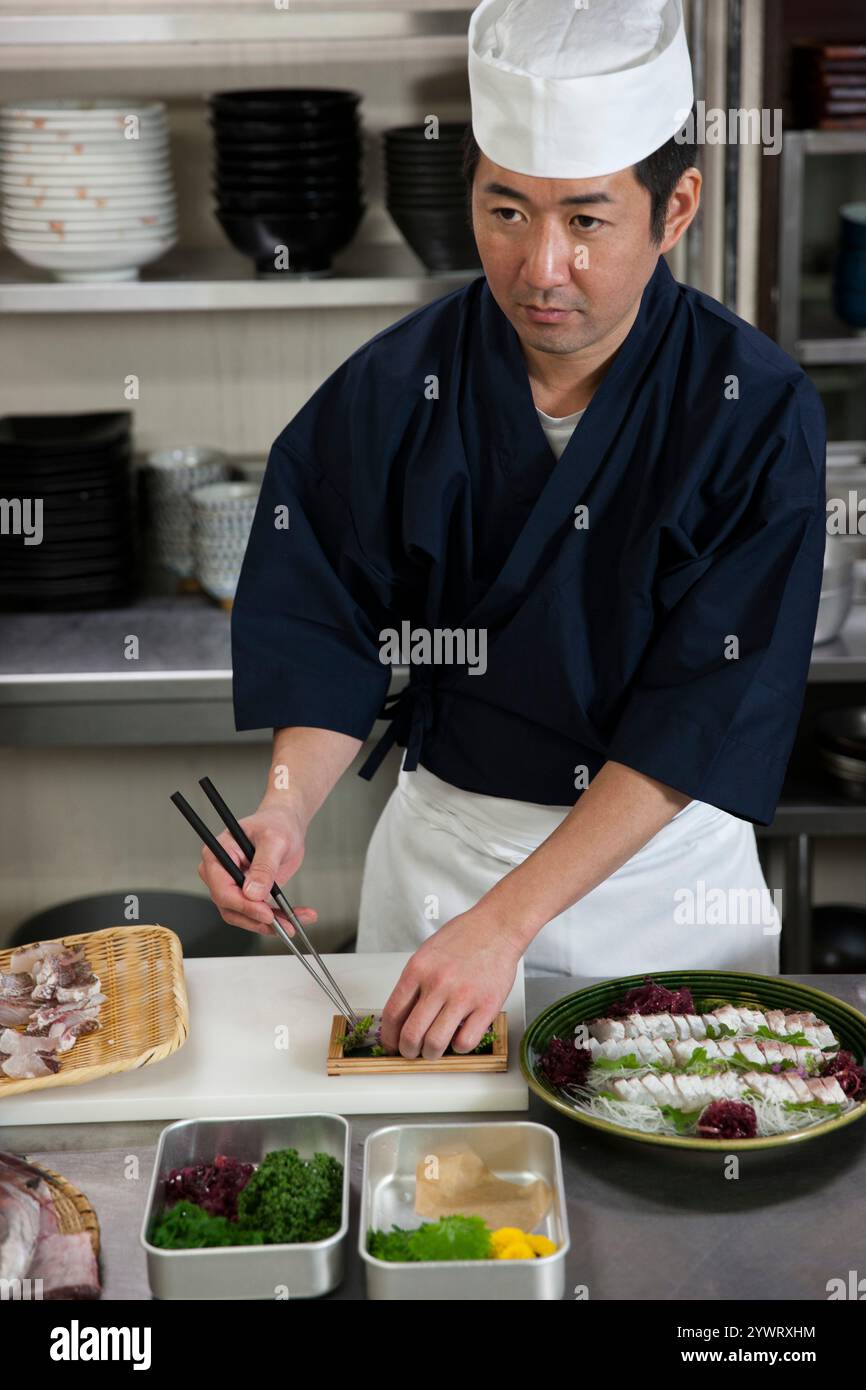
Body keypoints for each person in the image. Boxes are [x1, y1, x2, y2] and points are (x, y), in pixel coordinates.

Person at [201, 0, 827, 1060]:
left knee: (675, 1190)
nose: (539, 267)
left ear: (672, 208)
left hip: (658, 882)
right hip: (449, 861)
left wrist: (508, 920)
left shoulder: (752, 410)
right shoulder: (393, 388)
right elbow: (323, 629)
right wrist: (282, 808)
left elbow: (700, 715)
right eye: (505, 212)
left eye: (584, 221)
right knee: (430, 1196)